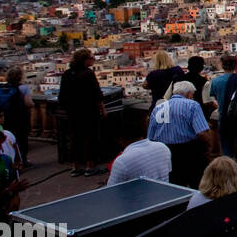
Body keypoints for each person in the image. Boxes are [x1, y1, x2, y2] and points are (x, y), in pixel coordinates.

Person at [147, 80, 216, 189]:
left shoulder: (158, 108)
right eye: (192, 95)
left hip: (164, 152)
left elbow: (150, 137)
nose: (192, 97)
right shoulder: (192, 105)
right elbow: (202, 133)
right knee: (196, 185)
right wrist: (209, 149)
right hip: (188, 151)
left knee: (174, 186)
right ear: (188, 94)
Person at [58, 48, 107, 177]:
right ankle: (90, 166)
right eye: (91, 58)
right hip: (89, 111)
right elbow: (97, 94)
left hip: (73, 112)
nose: (94, 59)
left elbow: (62, 96)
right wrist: (103, 109)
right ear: (85, 60)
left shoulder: (67, 74)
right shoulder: (88, 74)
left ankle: (76, 167)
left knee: (75, 139)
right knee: (91, 138)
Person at [204, 55, 237, 159]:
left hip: (223, 116)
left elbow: (214, 97)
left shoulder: (216, 81)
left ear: (222, 66)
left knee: (226, 149)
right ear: (236, 65)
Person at [0, 66, 33, 163]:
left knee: (6, 139)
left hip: (4, 117)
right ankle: (22, 160)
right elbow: (28, 103)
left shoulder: (1, 87)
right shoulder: (23, 88)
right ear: (20, 77)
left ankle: (9, 159)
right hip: (19, 118)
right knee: (21, 139)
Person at [107, 124, 172, 185]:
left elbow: (111, 192)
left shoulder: (121, 162)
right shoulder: (163, 148)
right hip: (166, 195)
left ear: (119, 140)